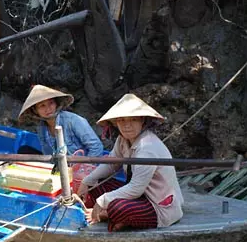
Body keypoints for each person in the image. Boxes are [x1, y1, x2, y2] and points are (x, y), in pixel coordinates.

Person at [76, 93, 184, 232]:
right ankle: (108, 214)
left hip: (157, 204)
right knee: (95, 185)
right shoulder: (122, 140)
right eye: (121, 120)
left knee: (117, 208)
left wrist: (102, 201)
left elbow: (135, 189)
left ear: (142, 121)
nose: (127, 125)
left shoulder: (147, 147)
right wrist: (87, 181)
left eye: (133, 119)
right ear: (115, 123)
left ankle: (105, 214)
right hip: (138, 195)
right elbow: (112, 164)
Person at [18, 85, 104, 157]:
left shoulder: (72, 120)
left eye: (51, 103)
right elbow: (48, 155)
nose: (48, 109)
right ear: (35, 110)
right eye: (42, 106)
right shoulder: (41, 127)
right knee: (24, 150)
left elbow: (96, 147)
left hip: (80, 168)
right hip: (58, 166)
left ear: (56, 103)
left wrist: (83, 169)